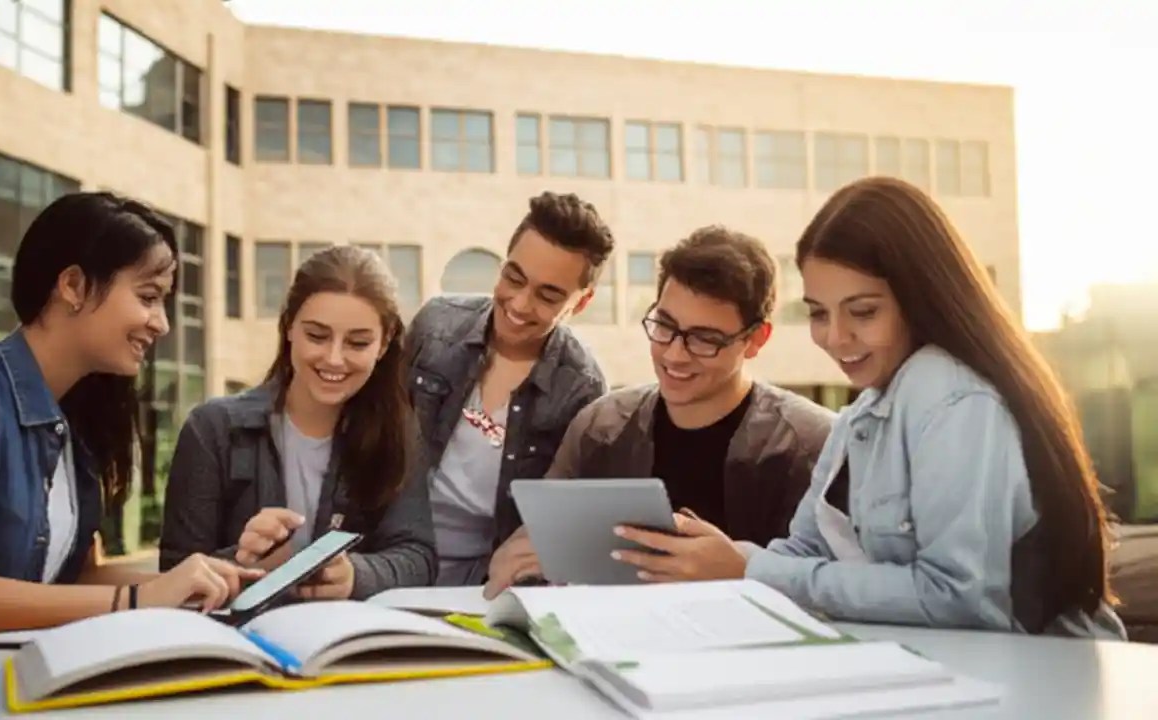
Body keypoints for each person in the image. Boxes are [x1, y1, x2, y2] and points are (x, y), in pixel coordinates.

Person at [624, 177, 1124, 637]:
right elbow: (805, 550)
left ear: (919, 297)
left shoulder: (953, 398)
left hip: (1044, 683)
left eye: (863, 312)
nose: (836, 338)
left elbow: (961, 598)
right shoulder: (866, 409)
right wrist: (721, 560)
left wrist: (749, 569)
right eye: (819, 314)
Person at [0, 193, 259, 638]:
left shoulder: (74, 425)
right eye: (148, 297)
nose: (161, 324)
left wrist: (205, 581)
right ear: (73, 286)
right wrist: (138, 600)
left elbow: (69, 581)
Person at [486, 226, 835, 597]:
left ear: (755, 340)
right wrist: (517, 561)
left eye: (704, 339)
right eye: (664, 326)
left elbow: (834, 584)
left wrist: (744, 572)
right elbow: (537, 539)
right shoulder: (601, 426)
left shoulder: (810, 446)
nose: (674, 354)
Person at [161, 245, 435, 600]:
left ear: (382, 346)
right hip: (236, 644)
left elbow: (419, 558)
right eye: (317, 336)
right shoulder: (212, 430)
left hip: (345, 645)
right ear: (289, 327)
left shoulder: (399, 432)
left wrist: (356, 576)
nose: (334, 359)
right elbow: (173, 577)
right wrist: (246, 561)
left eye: (358, 342)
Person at [406, 192, 613, 586]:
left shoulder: (581, 388)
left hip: (485, 583)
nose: (518, 304)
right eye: (513, 278)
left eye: (547, 295)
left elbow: (563, 524)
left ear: (581, 303)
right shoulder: (435, 326)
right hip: (391, 557)